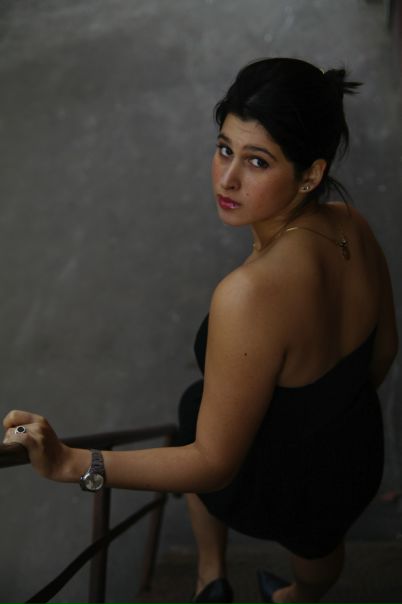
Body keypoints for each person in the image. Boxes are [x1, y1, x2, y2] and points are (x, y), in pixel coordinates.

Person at [3, 58, 398, 604]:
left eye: (257, 161)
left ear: (310, 174)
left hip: (280, 478)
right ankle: (294, 597)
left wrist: (75, 463)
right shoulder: (353, 226)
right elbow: (384, 351)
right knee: (320, 546)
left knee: (195, 417)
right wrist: (323, 413)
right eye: (223, 148)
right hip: (352, 454)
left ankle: (210, 578)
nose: (227, 178)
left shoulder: (247, 294)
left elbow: (212, 465)